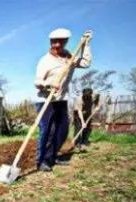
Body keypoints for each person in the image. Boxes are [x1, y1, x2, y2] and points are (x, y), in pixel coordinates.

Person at [34, 28, 92, 172]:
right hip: (46, 100)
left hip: (61, 100)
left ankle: (52, 156)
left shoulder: (69, 57)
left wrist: (85, 44)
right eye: (53, 42)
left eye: (60, 42)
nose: (56, 45)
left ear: (65, 42)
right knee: (48, 130)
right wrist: (48, 85)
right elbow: (37, 81)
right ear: (50, 42)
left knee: (62, 130)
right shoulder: (45, 61)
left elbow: (85, 63)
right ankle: (42, 161)